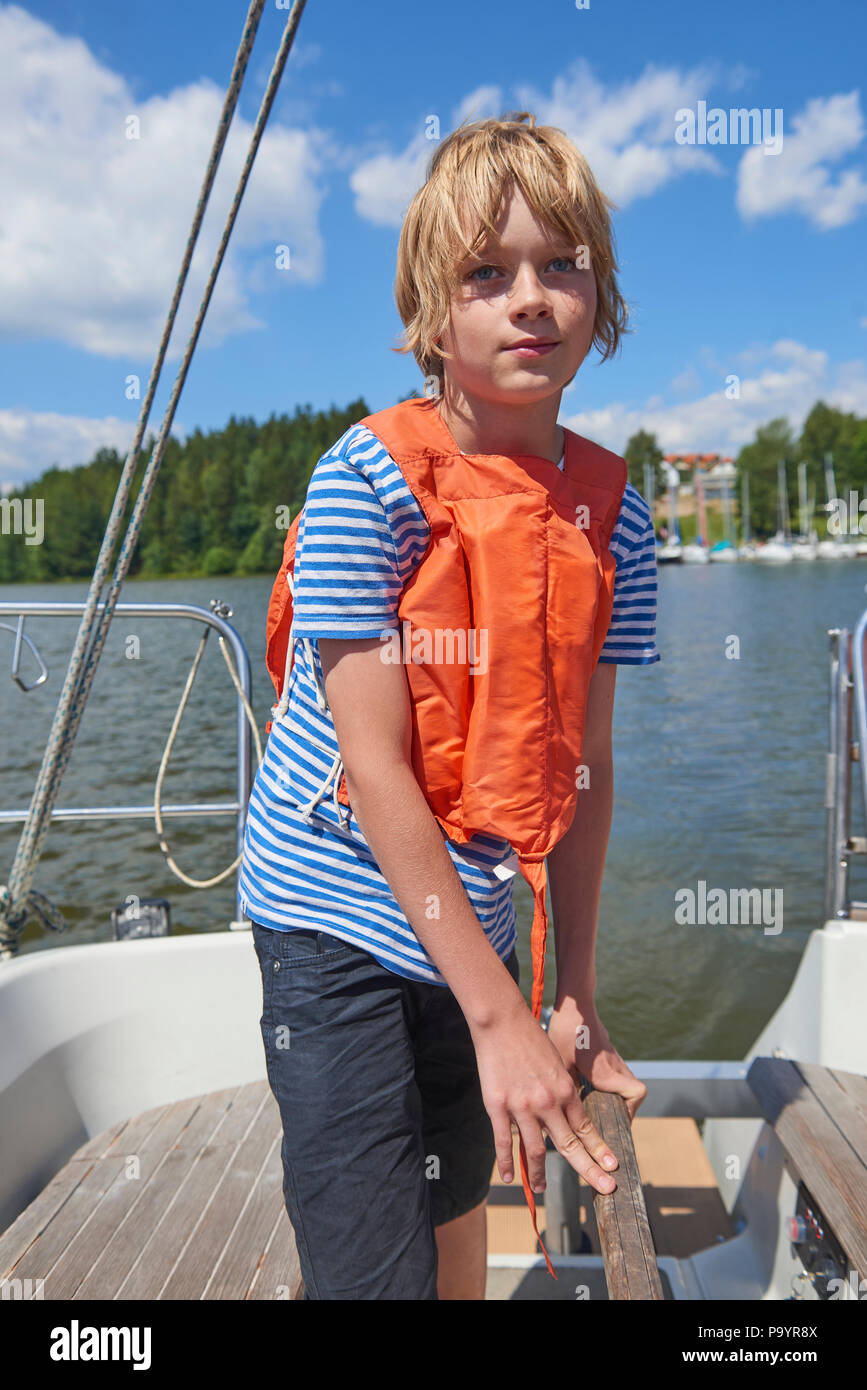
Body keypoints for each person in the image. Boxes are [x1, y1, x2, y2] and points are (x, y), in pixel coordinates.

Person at [239, 111, 660, 1301]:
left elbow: (587, 769)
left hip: (474, 915)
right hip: (334, 921)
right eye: (488, 273)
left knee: (457, 1188)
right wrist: (497, 1018)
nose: (531, 297)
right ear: (432, 317)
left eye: (561, 265)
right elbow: (374, 768)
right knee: (371, 1252)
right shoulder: (365, 480)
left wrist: (566, 993)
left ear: (600, 299)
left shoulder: (615, 515)